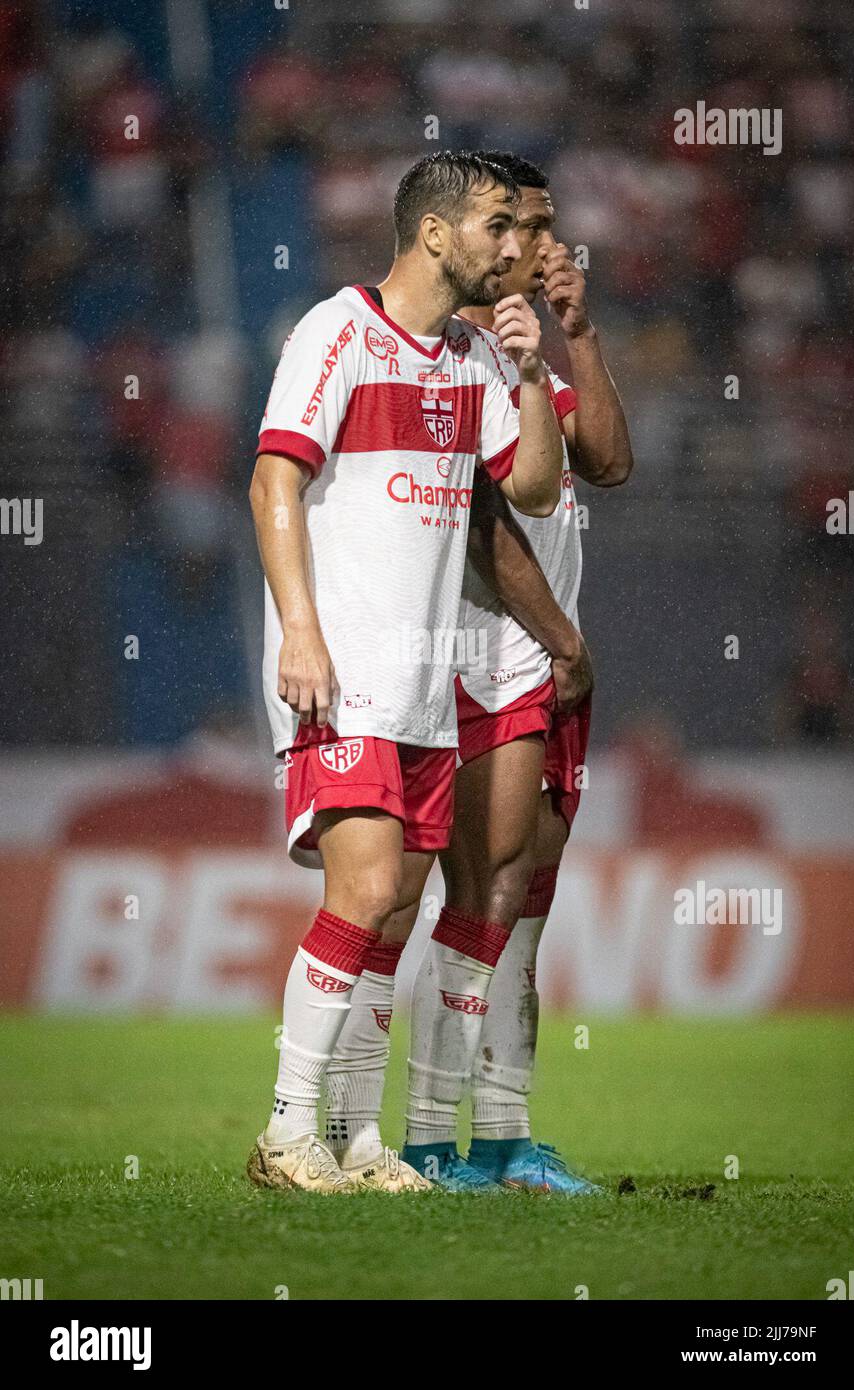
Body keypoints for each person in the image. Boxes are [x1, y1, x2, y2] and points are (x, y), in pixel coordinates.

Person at [246, 151, 564, 1193]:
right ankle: (287, 1132)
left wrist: (526, 372)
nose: (512, 250)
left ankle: (359, 1138)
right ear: (434, 234)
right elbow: (270, 480)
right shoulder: (335, 331)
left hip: (430, 686)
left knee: (394, 913)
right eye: (494, 229)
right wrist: (299, 629)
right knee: (369, 884)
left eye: (523, 232)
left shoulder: (472, 359)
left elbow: (530, 485)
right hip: (338, 669)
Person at [324, 150, 633, 1192]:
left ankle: (497, 1136)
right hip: (475, 652)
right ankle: (395, 1135)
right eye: (517, 223)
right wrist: (561, 640)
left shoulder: (518, 341)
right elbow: (482, 527)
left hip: (539, 654)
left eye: (542, 225)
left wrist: (575, 338)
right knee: (436, 895)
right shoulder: (450, 348)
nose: (534, 245)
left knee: (517, 901)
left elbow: (607, 464)